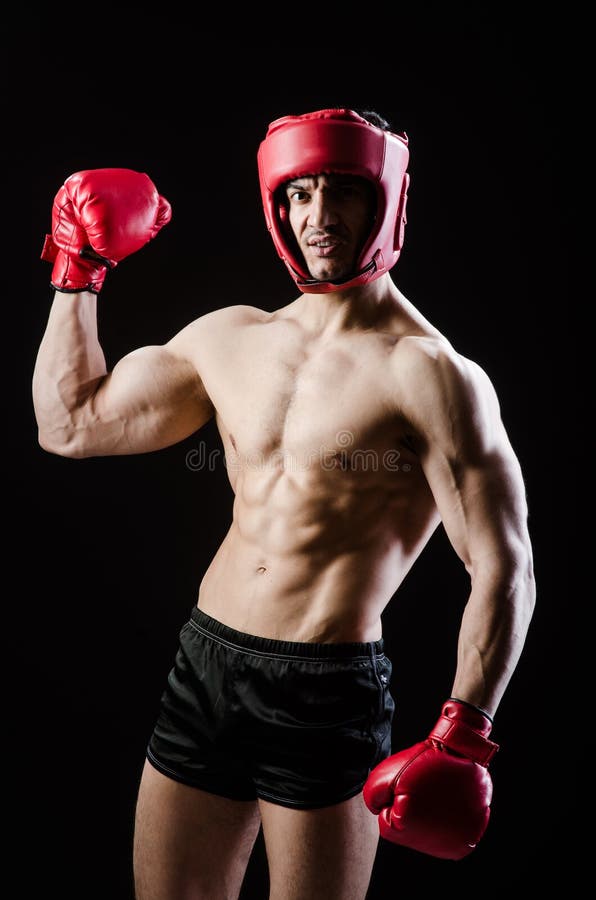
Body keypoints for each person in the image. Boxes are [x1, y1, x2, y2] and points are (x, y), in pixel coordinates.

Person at [32, 108, 536, 900]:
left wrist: (466, 731)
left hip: (325, 690)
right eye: (298, 194)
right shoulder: (232, 337)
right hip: (205, 664)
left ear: (386, 202)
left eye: (341, 193)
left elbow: (504, 566)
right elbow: (70, 426)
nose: (319, 218)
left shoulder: (431, 375)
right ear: (276, 206)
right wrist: (78, 268)